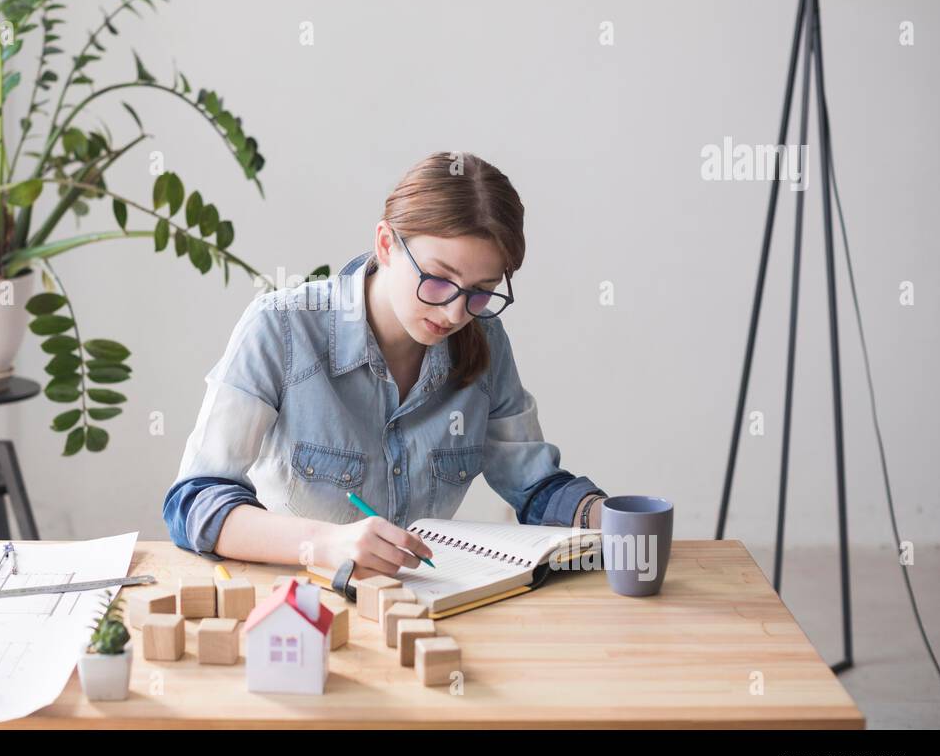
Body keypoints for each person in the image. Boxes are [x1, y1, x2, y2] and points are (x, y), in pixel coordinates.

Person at [162, 150, 607, 578]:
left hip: (429, 607)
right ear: (386, 243)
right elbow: (195, 502)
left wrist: (603, 516)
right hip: (302, 607)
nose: (455, 314)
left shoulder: (486, 340)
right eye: (437, 280)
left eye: (480, 291)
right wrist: (325, 544)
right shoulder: (282, 328)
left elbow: (534, 487)